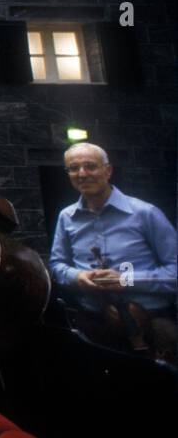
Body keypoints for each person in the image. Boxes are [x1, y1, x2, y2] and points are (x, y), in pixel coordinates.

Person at [50, 143, 176, 360]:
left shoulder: (146, 213)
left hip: (151, 327)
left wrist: (127, 280)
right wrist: (78, 277)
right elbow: (56, 264)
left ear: (108, 170)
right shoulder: (66, 217)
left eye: (90, 166)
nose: (82, 174)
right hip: (93, 326)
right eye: (73, 168)